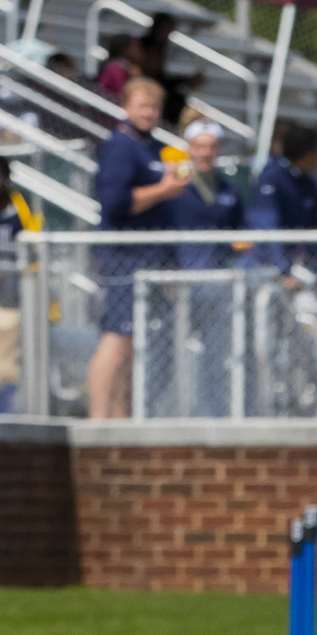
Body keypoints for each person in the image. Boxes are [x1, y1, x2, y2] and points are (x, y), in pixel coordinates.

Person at [88, 77, 187, 418]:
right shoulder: (120, 145)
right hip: (123, 259)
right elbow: (114, 204)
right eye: (143, 106)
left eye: (155, 107)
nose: (149, 113)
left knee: (132, 345)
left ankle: (120, 420)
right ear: (125, 106)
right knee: (116, 338)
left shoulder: (152, 147)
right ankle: (98, 421)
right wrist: (164, 190)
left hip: (150, 259)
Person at [168, 120, 246, 416]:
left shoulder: (229, 190)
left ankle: (214, 412)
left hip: (217, 285)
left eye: (211, 147)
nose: (205, 152)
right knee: (171, 350)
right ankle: (172, 411)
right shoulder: (175, 188)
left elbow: (241, 234)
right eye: (199, 146)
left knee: (216, 353)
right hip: (181, 285)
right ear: (189, 149)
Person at [250, 125, 317, 287]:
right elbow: (267, 227)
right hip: (263, 269)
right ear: (307, 152)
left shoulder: (309, 184)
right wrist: (282, 272)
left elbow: (313, 233)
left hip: (290, 268)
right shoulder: (271, 178)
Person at [139, 13, 204, 126]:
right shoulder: (144, 45)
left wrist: (186, 81)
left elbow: (161, 75)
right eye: (164, 29)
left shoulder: (163, 46)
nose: (167, 33)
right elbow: (151, 72)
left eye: (169, 29)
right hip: (147, 86)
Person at [96, 34, 144, 101]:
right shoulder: (115, 68)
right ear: (125, 49)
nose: (139, 49)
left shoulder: (125, 67)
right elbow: (122, 94)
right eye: (135, 46)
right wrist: (136, 79)